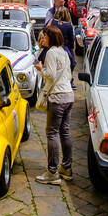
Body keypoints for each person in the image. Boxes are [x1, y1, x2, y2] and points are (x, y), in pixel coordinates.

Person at [33, 25, 74, 184]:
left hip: (57, 96)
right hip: (69, 95)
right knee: (65, 132)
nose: (42, 39)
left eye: (45, 36)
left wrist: (40, 68)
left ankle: (52, 172)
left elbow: (50, 75)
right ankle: (67, 168)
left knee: (51, 133)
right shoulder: (64, 51)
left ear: (51, 38)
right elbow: (68, 73)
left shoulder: (50, 52)